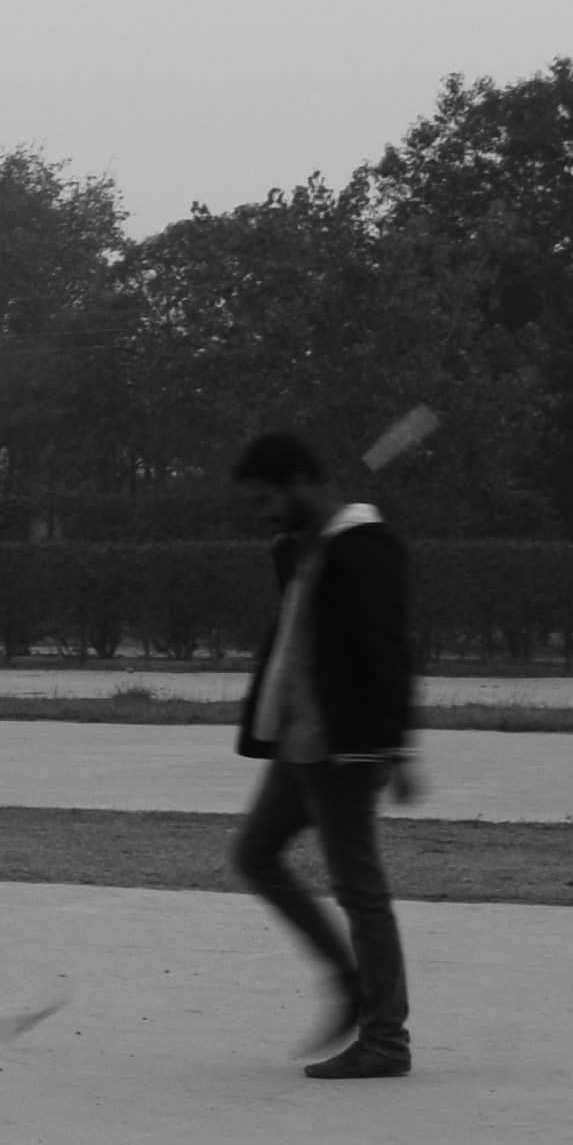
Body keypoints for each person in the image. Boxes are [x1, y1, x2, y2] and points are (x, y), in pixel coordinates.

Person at [229, 427, 420, 1078]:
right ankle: (346, 980)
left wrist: (397, 747)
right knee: (255, 854)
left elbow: (387, 650)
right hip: (299, 744)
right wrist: (296, 541)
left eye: (267, 499)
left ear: (301, 485)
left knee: (359, 891)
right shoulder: (310, 546)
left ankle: (385, 1039)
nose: (261, 514)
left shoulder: (365, 549)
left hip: (345, 751)